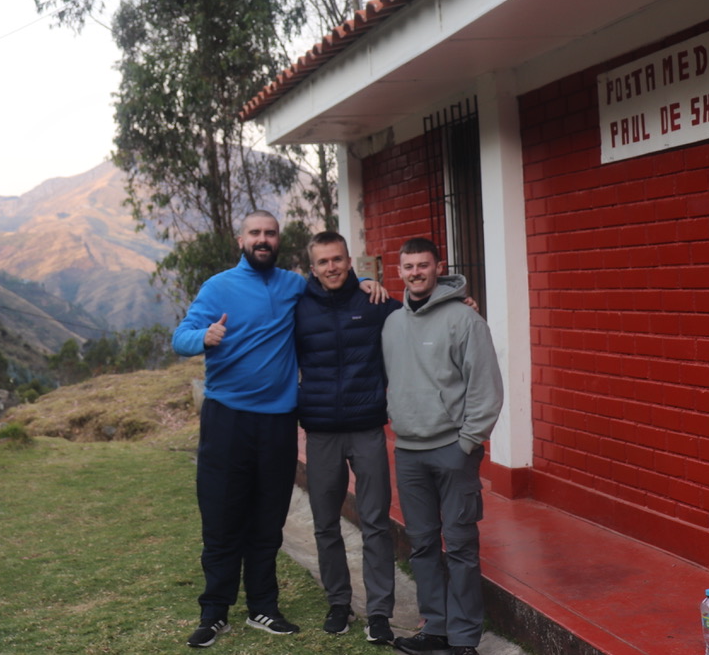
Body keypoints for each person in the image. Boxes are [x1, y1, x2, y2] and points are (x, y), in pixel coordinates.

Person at [173, 211, 384, 648]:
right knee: (222, 516)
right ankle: (214, 612)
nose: (263, 239)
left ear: (278, 240)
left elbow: (332, 279)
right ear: (241, 239)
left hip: (278, 422)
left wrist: (364, 281)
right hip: (227, 418)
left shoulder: (292, 284)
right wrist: (202, 338)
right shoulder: (218, 287)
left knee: (269, 519)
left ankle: (263, 607)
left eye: (270, 233)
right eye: (255, 233)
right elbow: (180, 337)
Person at [381, 237, 504, 655]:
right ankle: (435, 629)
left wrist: (467, 443)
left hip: (453, 450)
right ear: (399, 271)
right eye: (408, 266)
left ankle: (465, 639)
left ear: (438, 267)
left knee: (461, 546)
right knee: (422, 545)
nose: (415, 272)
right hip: (408, 452)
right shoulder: (392, 324)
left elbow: (486, 389)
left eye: (423, 265)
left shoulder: (465, 320)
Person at [294, 230, 401, 645]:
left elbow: (417, 312)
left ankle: (380, 612)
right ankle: (339, 603)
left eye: (337, 259)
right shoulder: (298, 306)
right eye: (323, 262)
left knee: (375, 523)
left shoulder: (372, 302)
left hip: (367, 428)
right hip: (321, 431)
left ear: (349, 260)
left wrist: (458, 303)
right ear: (313, 267)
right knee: (326, 524)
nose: (331, 267)